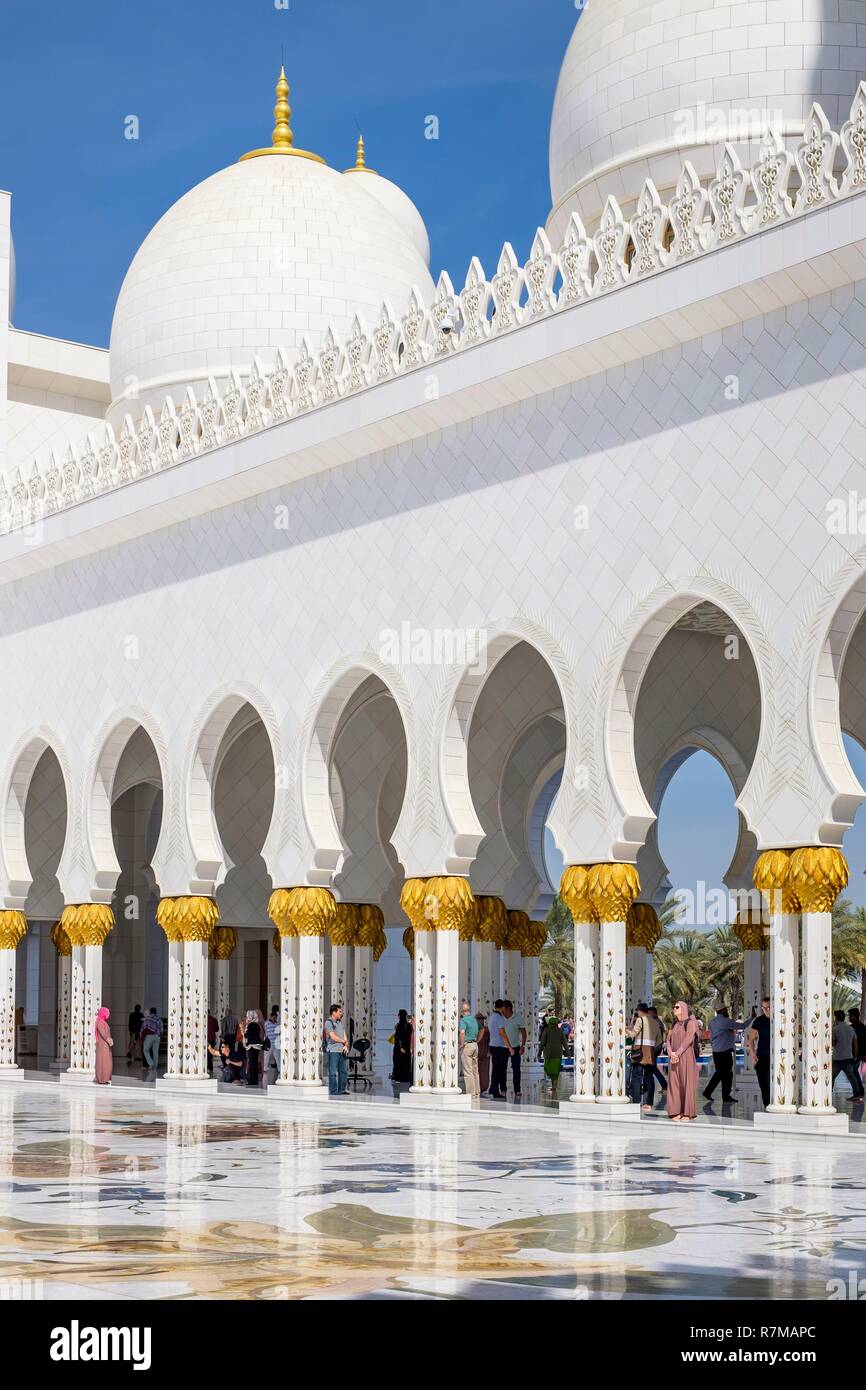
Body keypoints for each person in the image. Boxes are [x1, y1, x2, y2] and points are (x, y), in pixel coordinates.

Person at [665, 999, 700, 1121]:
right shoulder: (674, 1025)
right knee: (674, 1084)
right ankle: (676, 1110)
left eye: (677, 1007)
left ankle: (687, 1112)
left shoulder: (690, 1023)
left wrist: (677, 1054)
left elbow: (688, 1040)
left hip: (686, 1058)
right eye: (674, 1007)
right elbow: (667, 1041)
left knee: (686, 1083)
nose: (674, 1009)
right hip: (674, 1059)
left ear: (683, 1009)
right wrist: (671, 1054)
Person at [629, 1003, 662, 1111]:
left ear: (639, 1011)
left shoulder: (640, 1020)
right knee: (649, 1076)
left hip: (640, 1051)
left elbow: (633, 1034)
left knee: (636, 1076)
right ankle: (649, 1103)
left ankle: (637, 1101)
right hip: (650, 1051)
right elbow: (659, 1040)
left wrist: (626, 1030)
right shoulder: (654, 1021)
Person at [703, 1006, 739, 1104]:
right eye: (726, 1010)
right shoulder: (726, 1021)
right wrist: (752, 1018)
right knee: (726, 1073)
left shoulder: (712, 1022)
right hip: (725, 1052)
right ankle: (723, 1095)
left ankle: (711, 1092)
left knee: (721, 1073)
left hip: (716, 1052)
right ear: (722, 1011)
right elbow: (742, 1026)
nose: (727, 1011)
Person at [832, 1009, 862, 1099]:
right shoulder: (851, 1029)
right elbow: (855, 1044)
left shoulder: (835, 1029)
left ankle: (828, 1093)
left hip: (837, 1058)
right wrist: (855, 1056)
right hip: (848, 1057)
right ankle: (857, 1094)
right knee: (851, 1076)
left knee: (832, 1076)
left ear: (836, 1018)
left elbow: (833, 1043)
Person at [747, 997, 771, 1107]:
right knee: (763, 1085)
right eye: (764, 1007)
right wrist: (753, 1055)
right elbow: (751, 1038)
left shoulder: (780, 1020)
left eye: (769, 1007)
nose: (766, 1010)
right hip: (762, 1057)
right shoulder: (758, 1021)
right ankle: (767, 1107)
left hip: (777, 1058)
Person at [501, 1000, 526, 1097]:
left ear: (508, 1008)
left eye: (503, 1010)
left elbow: (523, 1032)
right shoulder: (500, 1018)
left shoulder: (518, 1018)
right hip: (503, 1047)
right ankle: (503, 1089)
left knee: (516, 1069)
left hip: (515, 1047)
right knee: (502, 1069)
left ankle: (517, 1090)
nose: (502, 1012)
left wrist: (523, 1046)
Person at [325, 1003, 350, 1096]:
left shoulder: (340, 1022)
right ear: (334, 1012)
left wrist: (345, 1045)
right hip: (333, 1051)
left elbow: (344, 1034)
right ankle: (334, 1091)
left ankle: (342, 1090)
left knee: (343, 1071)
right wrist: (343, 1041)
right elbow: (332, 1036)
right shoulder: (329, 1022)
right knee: (332, 1072)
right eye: (339, 1012)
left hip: (342, 1050)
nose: (341, 1013)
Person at [487, 999, 509, 1100]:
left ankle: (493, 1088)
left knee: (495, 1068)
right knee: (499, 1070)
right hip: (500, 1047)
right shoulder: (499, 1018)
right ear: (503, 1007)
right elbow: (502, 1033)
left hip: (493, 1045)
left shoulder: (492, 1016)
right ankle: (496, 1091)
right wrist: (509, 1046)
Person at [459, 1000, 480, 1098]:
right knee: (475, 1070)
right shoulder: (474, 1019)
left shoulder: (463, 1020)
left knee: (467, 1070)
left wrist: (462, 1044)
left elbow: (462, 1032)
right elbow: (482, 1029)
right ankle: (477, 1091)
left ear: (463, 1012)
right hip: (475, 1045)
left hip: (467, 1045)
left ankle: (471, 1093)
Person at [540, 1012, 565, 1095]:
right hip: (558, 1054)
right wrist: (568, 1054)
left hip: (548, 1054)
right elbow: (564, 1042)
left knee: (549, 1068)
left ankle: (553, 1086)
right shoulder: (560, 1031)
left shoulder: (546, 1030)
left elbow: (542, 1042)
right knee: (556, 1070)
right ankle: (554, 1086)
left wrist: (539, 1052)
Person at [647, 1006, 668, 1094]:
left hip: (654, 1048)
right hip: (656, 1047)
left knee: (652, 1068)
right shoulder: (658, 1022)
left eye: (650, 1013)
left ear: (654, 1013)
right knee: (653, 1068)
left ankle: (664, 1086)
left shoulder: (655, 1022)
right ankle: (664, 1086)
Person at [242, 1010, 265, 1087]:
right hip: (257, 1047)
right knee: (254, 1063)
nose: (247, 1017)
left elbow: (247, 1035)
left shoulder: (251, 1025)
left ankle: (251, 1081)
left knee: (251, 1064)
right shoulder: (257, 1024)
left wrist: (244, 1033)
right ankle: (254, 1080)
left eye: (248, 1016)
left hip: (252, 1046)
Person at [391, 1008, 412, 1083]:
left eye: (399, 1014)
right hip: (406, 1048)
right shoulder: (408, 1025)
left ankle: (399, 1078)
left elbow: (399, 1037)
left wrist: (400, 1047)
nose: (398, 1016)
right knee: (404, 1063)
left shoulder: (401, 1025)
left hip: (400, 1048)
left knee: (399, 1062)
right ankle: (404, 1078)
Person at [849, 1008, 866, 1097]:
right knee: (854, 1072)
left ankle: (859, 1092)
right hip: (860, 1054)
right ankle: (859, 1092)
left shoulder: (852, 1028)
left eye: (849, 1016)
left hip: (854, 1054)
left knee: (854, 1073)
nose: (849, 1018)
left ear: (854, 1016)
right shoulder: (863, 1027)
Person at [94, 1006, 113, 1085]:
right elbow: (103, 1033)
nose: (107, 1014)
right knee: (102, 1061)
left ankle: (106, 1078)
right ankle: (101, 1078)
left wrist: (109, 1040)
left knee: (107, 1061)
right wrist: (108, 1039)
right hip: (102, 1045)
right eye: (106, 1013)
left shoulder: (103, 1022)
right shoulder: (99, 1022)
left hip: (105, 1045)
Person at [476, 1013, 491, 1094]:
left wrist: (489, 1051)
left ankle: (484, 1086)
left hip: (485, 1053)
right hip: (477, 1053)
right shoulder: (474, 1029)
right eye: (479, 1019)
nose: (480, 1020)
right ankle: (478, 1087)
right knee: (477, 1071)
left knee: (485, 1071)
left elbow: (490, 1041)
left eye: (481, 1019)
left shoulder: (487, 1030)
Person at [265, 1006, 280, 1078]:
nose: (275, 1019)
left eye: (275, 1018)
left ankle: (280, 1069)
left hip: (275, 1044)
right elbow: (265, 1033)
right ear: (271, 1016)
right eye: (274, 1018)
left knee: (277, 1057)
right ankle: (265, 1068)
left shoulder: (277, 1024)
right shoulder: (266, 1023)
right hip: (269, 1043)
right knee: (267, 1057)